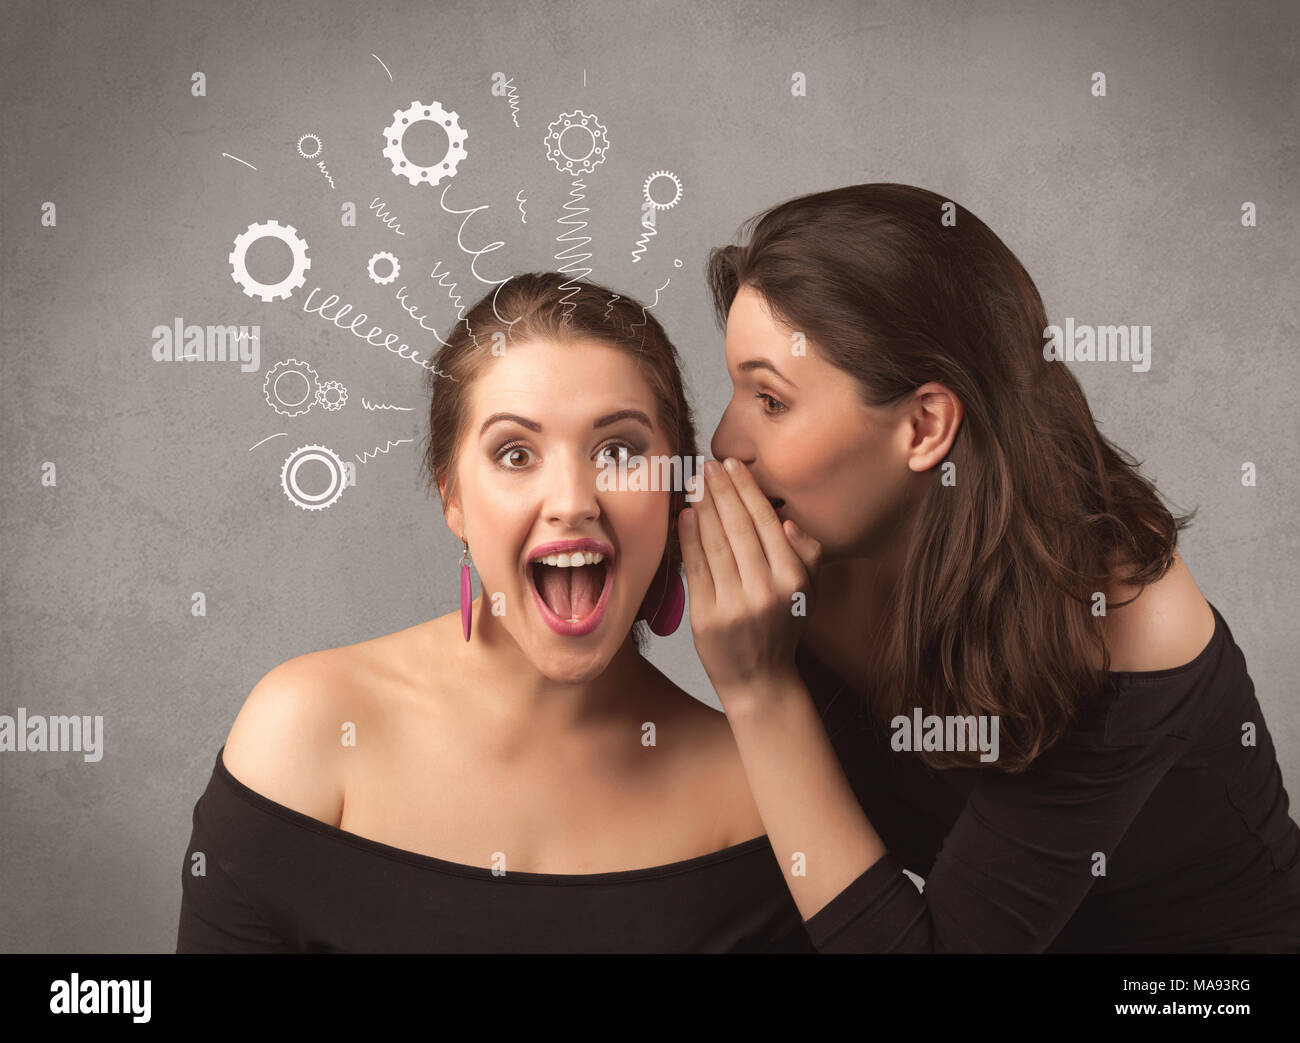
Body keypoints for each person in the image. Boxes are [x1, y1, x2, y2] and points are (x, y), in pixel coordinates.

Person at [680, 182, 1300, 952]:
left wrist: (759, 689)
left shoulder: (1124, 617)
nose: (724, 442)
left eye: (770, 400)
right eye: (736, 387)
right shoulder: (797, 534)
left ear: (924, 425)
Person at [176, 272, 812, 953]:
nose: (573, 501)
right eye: (515, 453)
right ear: (453, 497)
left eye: (619, 451)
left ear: (674, 490)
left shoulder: (760, 796)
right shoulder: (306, 731)